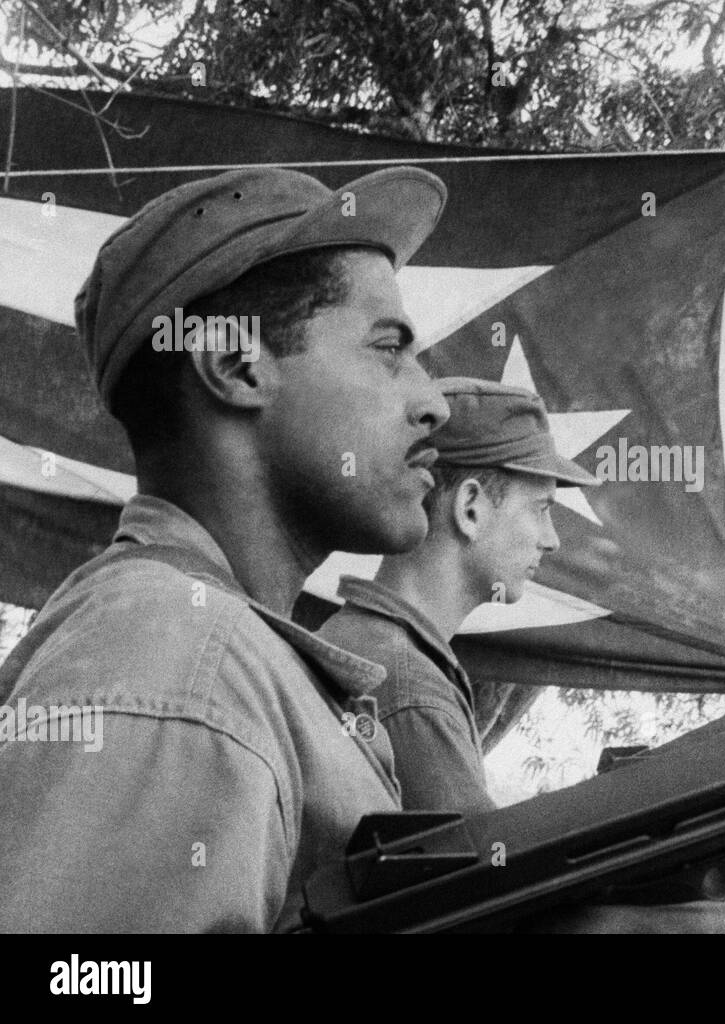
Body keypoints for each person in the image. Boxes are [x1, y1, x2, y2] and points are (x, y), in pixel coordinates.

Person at [0, 166, 451, 932]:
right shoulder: (178, 650)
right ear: (236, 364)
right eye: (388, 348)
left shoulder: (216, 652)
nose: (434, 403)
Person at [318, 377, 725, 932]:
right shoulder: (408, 686)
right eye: (540, 508)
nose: (552, 538)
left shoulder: (366, 643)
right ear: (470, 508)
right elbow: (483, 912)